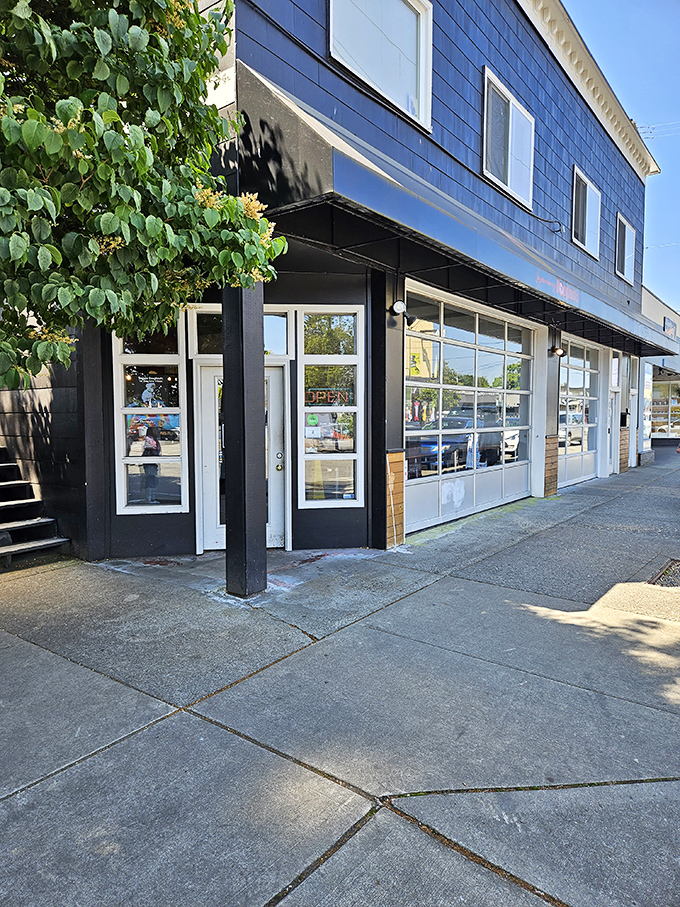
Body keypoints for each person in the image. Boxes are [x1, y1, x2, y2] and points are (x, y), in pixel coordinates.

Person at [142, 424, 161, 503]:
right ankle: (148, 498)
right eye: (155, 429)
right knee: (150, 479)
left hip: (152, 462)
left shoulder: (153, 439)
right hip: (150, 463)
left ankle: (151, 498)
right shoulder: (149, 439)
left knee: (152, 479)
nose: (157, 431)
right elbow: (149, 450)